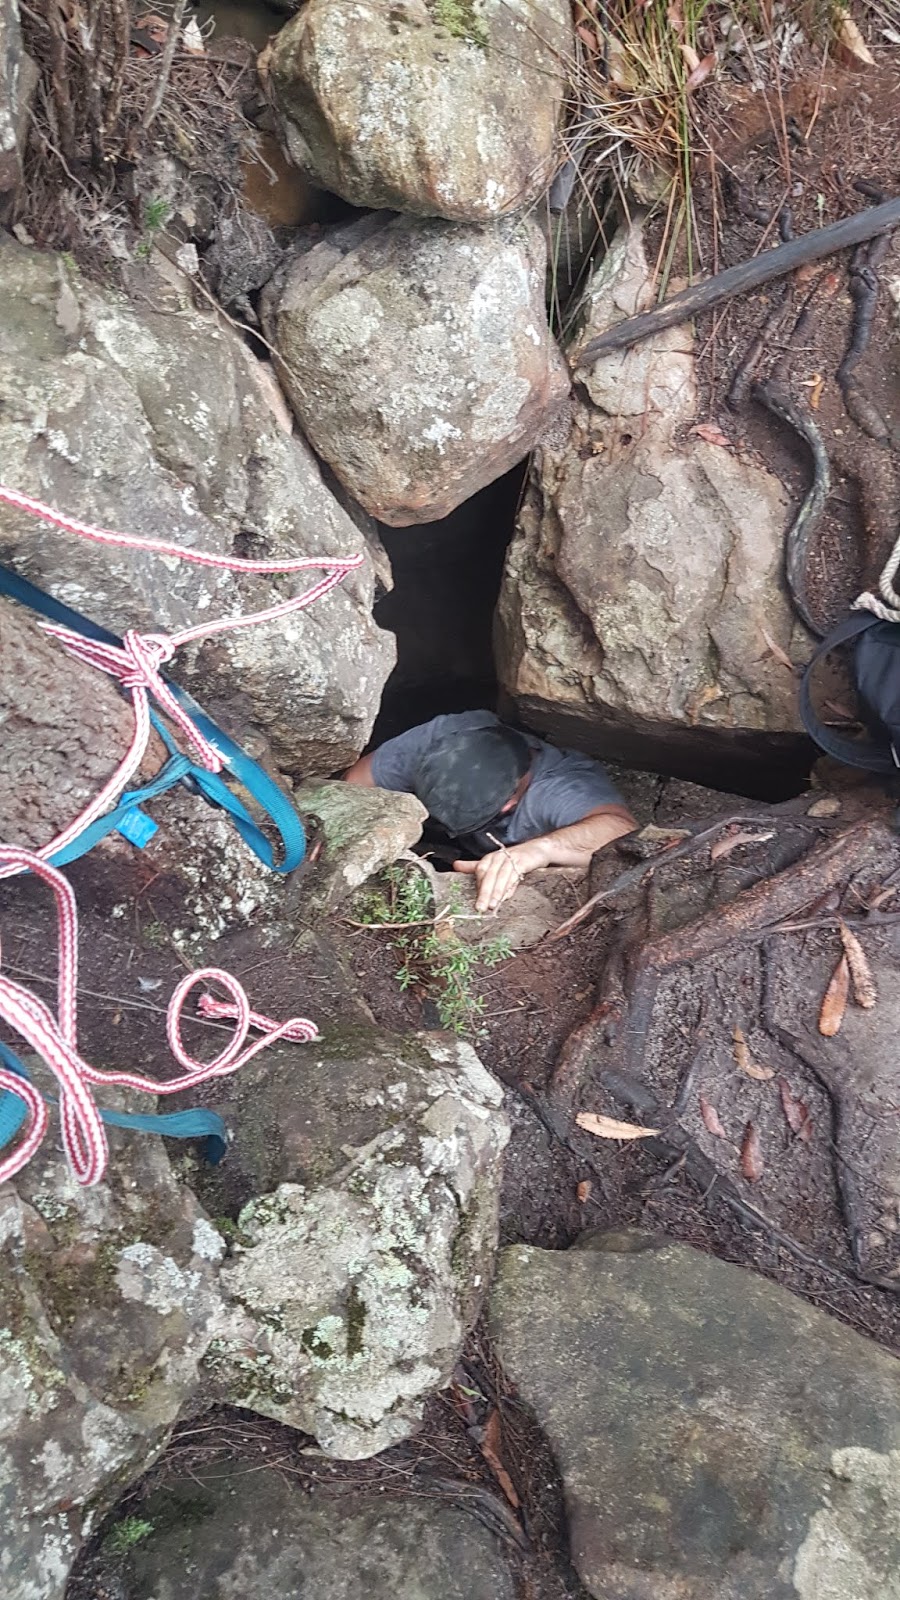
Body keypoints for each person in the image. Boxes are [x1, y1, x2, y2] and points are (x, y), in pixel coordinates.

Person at [344, 710, 636, 913]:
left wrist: (538, 850)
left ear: (508, 805)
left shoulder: (558, 790)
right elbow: (356, 785)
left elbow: (624, 833)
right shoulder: (440, 739)